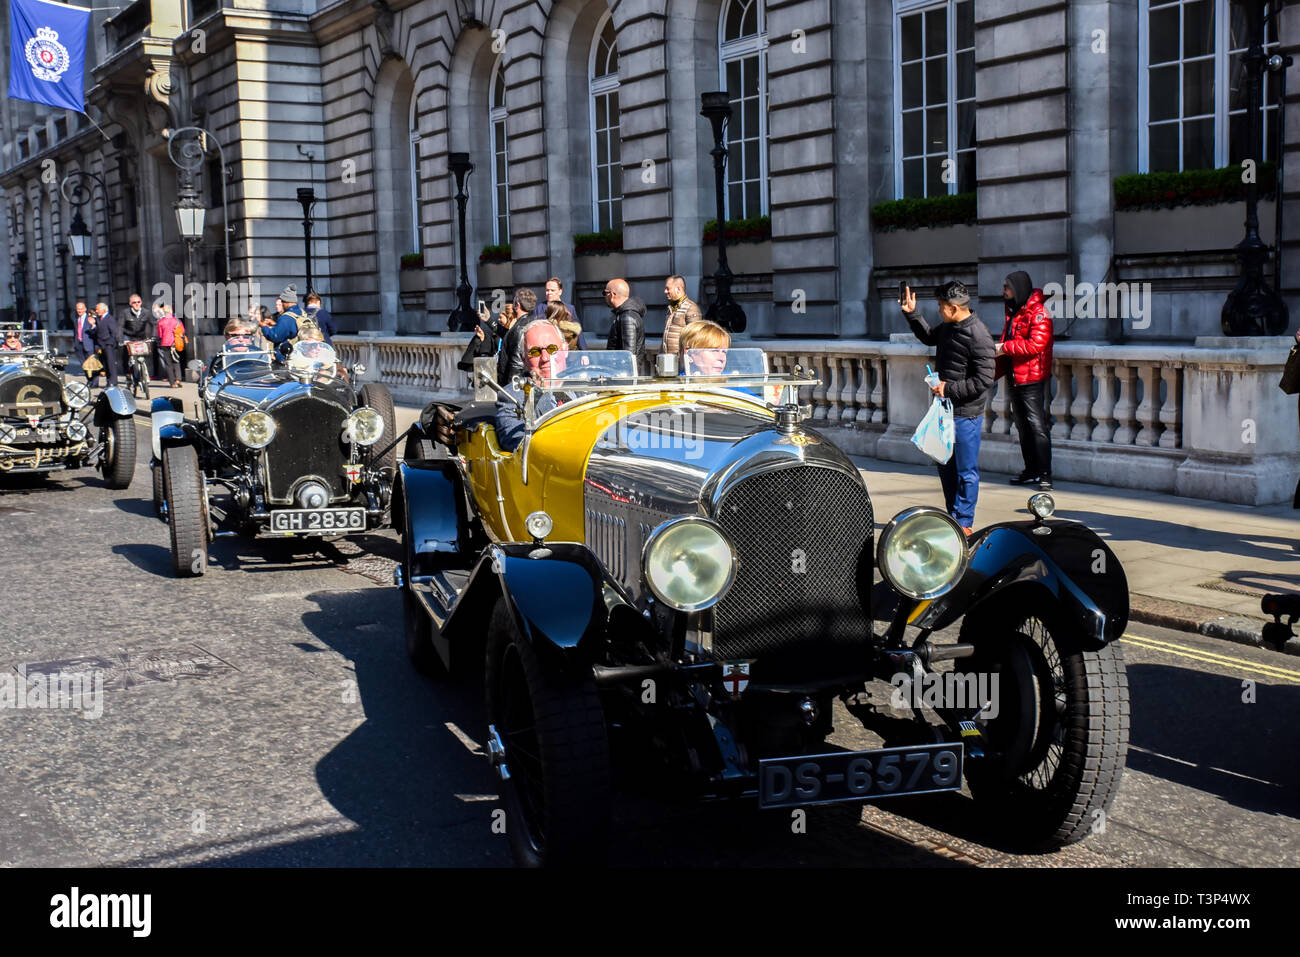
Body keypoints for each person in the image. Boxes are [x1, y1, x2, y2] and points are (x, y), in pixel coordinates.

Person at [900, 280, 996, 537]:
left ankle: (964, 523)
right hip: (944, 411)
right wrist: (912, 313)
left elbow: (984, 381)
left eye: (941, 307)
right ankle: (953, 518)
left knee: (966, 471)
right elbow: (928, 336)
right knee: (946, 466)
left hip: (966, 414)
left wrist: (948, 389)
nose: (939, 311)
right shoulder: (949, 327)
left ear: (954, 308)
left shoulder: (979, 335)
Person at [997, 271, 1055, 491]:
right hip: (1015, 375)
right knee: (1022, 426)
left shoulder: (1038, 312)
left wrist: (1005, 348)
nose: (1004, 291)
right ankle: (1031, 470)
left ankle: (1045, 474)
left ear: (1018, 288)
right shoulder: (1015, 311)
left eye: (1007, 287)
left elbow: (1035, 345)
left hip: (1031, 377)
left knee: (1037, 426)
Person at [494, 319, 568, 453]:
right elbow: (517, 442)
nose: (545, 358)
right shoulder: (512, 396)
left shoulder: (587, 387)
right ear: (523, 359)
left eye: (552, 349)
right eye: (535, 352)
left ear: (565, 350)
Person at [603, 278, 646, 372]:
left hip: (623, 376)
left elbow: (628, 355)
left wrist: (622, 379)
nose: (604, 296)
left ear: (612, 294)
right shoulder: (624, 314)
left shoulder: (627, 317)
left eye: (605, 293)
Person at [496, 288, 539, 383]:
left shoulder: (519, 328)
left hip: (518, 384)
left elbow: (516, 363)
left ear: (517, 305)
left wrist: (511, 388)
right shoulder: (535, 323)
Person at [661, 275, 703, 356]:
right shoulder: (671, 308)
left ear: (678, 289)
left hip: (681, 362)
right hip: (669, 360)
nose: (665, 291)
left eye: (668, 288)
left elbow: (695, 339)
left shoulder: (691, 308)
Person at [261, 284, 302, 357]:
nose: (282, 305)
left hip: (288, 357)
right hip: (302, 352)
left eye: (282, 302)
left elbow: (275, 336)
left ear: (286, 302)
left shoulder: (286, 318)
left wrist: (264, 326)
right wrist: (275, 324)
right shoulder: (301, 313)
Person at [121, 293, 155, 379]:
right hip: (129, 337)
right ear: (130, 303)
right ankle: (129, 373)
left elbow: (154, 324)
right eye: (134, 302)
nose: (136, 304)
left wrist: (153, 336)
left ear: (141, 302)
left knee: (145, 354)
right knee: (128, 357)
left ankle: (145, 374)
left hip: (141, 337)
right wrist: (121, 339)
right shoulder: (125, 313)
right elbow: (119, 327)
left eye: (138, 302)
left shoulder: (146, 312)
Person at [90, 302, 121, 387]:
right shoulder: (99, 319)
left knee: (111, 365)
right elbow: (96, 332)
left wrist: (110, 344)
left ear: (103, 310)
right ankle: (109, 382)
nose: (96, 311)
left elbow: (114, 332)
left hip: (108, 345)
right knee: (106, 365)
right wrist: (93, 325)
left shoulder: (109, 318)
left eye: (97, 309)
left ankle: (113, 382)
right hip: (101, 346)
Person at [155, 304, 184, 389]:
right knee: (176, 361)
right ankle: (178, 379)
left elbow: (160, 335)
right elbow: (182, 330)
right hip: (175, 343)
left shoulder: (161, 322)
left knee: (168, 364)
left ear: (164, 312)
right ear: (171, 311)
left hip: (165, 343)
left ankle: (172, 383)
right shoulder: (176, 321)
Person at [72, 301, 94, 367]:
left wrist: (93, 325)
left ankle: (93, 377)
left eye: (81, 309)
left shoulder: (90, 318)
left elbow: (95, 331)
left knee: (92, 366)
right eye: (78, 309)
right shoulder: (76, 320)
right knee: (84, 366)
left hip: (89, 345)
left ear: (85, 309)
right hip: (79, 345)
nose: (79, 311)